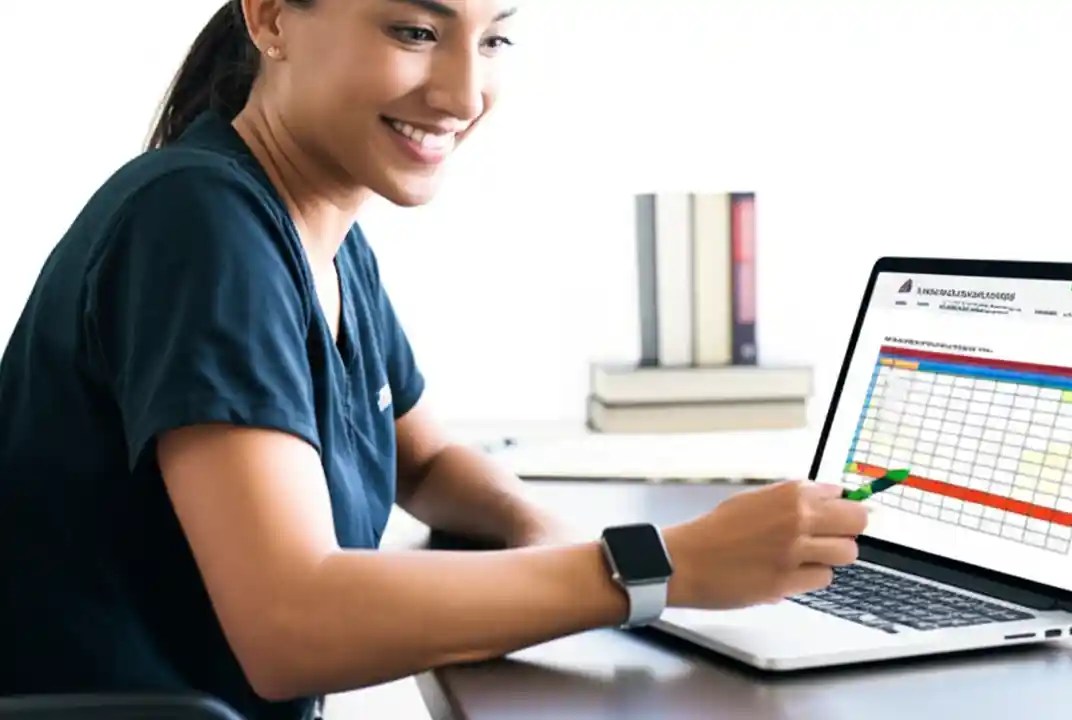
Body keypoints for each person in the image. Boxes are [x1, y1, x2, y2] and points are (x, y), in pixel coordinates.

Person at [0, 1, 869, 718]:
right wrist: (658, 566)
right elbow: (290, 626)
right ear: (270, 17)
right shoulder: (200, 224)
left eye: (492, 39)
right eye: (415, 31)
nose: (464, 92)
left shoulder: (320, 233)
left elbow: (427, 459)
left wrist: (539, 533)